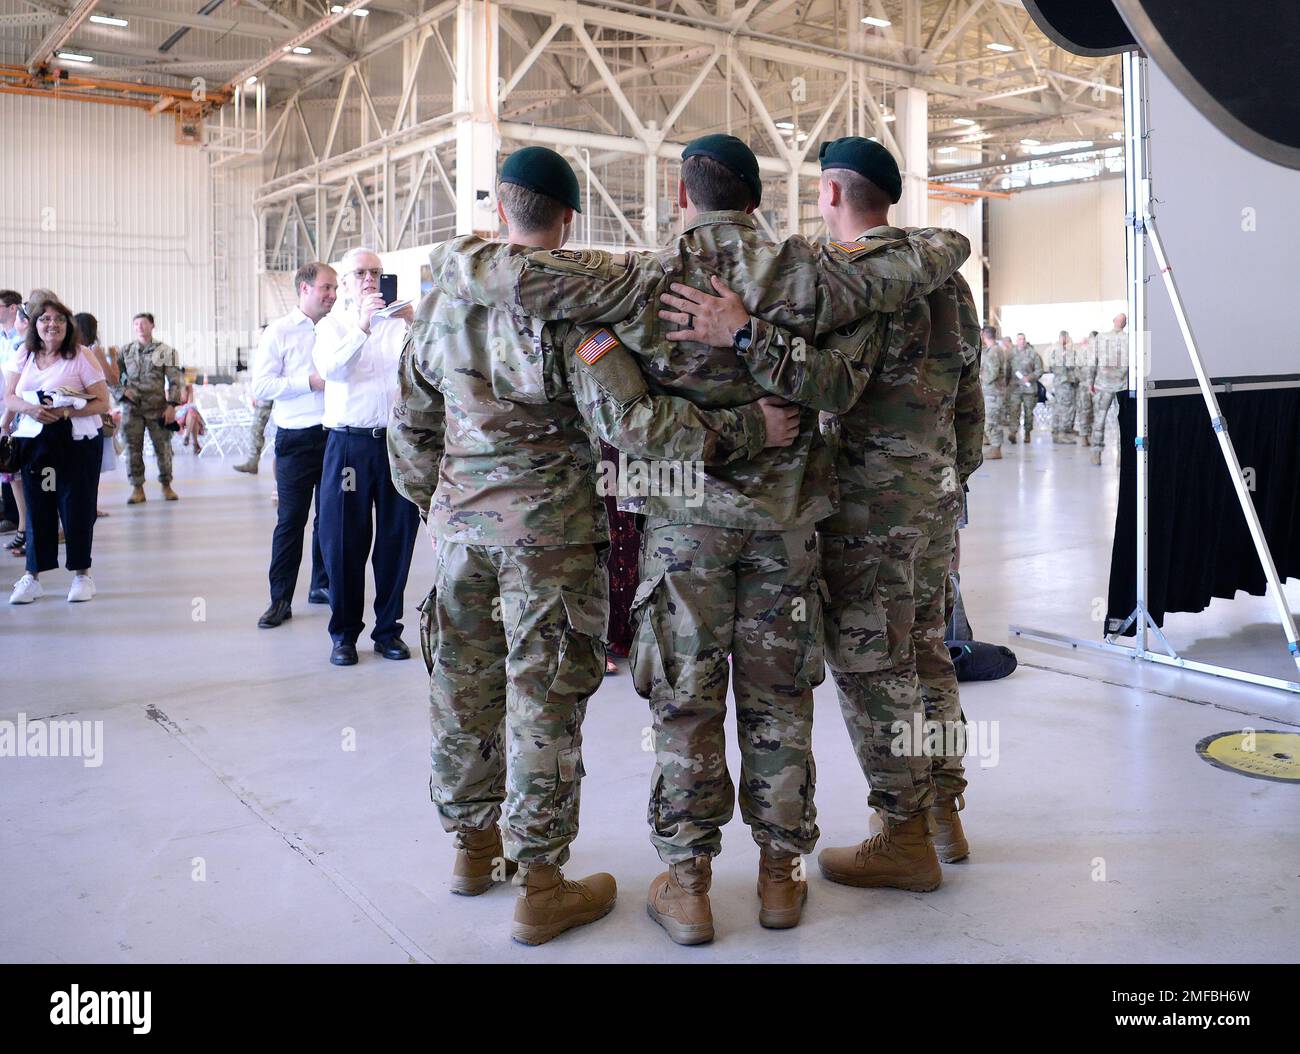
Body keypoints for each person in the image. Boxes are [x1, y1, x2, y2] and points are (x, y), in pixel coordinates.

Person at [429, 133, 969, 942]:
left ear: (682, 198)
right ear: (759, 199)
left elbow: (573, 348)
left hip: (683, 530)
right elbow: (913, 265)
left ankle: (686, 885)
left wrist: (454, 259)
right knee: (780, 698)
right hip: (786, 529)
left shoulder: (639, 279)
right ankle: (781, 879)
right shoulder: (811, 275)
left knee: (683, 703)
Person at [391, 146, 798, 945]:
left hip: (462, 534)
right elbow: (635, 429)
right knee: (540, 701)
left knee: (461, 689)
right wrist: (750, 426)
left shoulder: (440, 300)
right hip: (547, 541)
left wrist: (435, 505)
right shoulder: (573, 311)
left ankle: (473, 851)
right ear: (568, 217)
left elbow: (410, 423)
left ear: (501, 209)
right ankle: (540, 883)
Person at [658, 136, 983, 891]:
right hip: (931, 501)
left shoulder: (854, 284)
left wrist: (741, 331)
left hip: (867, 506)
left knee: (876, 668)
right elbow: (972, 394)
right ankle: (943, 811)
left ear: (832, 195)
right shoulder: (947, 284)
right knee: (929, 652)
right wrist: (951, 480)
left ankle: (904, 834)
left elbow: (826, 383)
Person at [313, 248, 418, 667]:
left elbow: (426, 369)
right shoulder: (331, 327)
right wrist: (361, 326)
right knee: (343, 542)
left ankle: (388, 630)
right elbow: (332, 371)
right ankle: (343, 634)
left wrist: (417, 325)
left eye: (376, 272)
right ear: (343, 283)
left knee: (396, 539)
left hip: (393, 444)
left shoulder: (398, 325)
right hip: (348, 447)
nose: (370, 280)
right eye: (360, 273)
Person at [4, 299, 110, 603]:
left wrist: (65, 412)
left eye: (59, 320)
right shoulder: (24, 353)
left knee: (76, 507)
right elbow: (10, 396)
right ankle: (32, 577)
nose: (52, 325)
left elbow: (103, 403)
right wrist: (29, 410)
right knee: (38, 509)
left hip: (76, 441)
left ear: (68, 325)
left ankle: (82, 575)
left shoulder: (81, 355)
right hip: (34, 441)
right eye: (45, 319)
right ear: (35, 324)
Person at [251, 261, 335, 629]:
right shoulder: (279, 333)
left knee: (329, 520)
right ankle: (279, 599)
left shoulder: (342, 328)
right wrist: (309, 382)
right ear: (304, 289)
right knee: (290, 520)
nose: (333, 295)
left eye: (335, 288)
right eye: (326, 288)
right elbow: (261, 387)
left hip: (335, 436)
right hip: (296, 439)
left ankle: (322, 585)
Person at [112, 312, 184, 503]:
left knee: (164, 450)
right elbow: (112, 378)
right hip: (132, 409)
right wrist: (121, 392)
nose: (140, 327)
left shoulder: (166, 351)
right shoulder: (124, 351)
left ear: (152, 326)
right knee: (133, 450)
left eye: (143, 323)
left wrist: (172, 406)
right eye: (136, 324)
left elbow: (176, 380)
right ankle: (137, 488)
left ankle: (166, 485)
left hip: (158, 409)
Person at [75, 313, 118, 518]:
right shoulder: (94, 350)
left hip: (74, 412)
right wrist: (114, 357)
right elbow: (113, 378)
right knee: (92, 467)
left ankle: (84, 508)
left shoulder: (70, 351)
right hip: (94, 414)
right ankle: (90, 508)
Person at [1089, 314, 1128, 464]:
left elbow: (1092, 361)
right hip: (1122, 387)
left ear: (1113, 321)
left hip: (1104, 385)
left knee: (1100, 419)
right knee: (1122, 422)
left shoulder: (1101, 337)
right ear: (1125, 324)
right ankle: (1121, 456)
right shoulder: (1130, 339)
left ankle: (1096, 453)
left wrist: (1090, 382)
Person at [1005, 332, 1042, 444]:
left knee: (1028, 412)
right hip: (1014, 388)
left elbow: (1039, 370)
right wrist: (1006, 384)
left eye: (1023, 339)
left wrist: (1029, 377)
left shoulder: (1033, 354)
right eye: (1019, 339)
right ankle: (1013, 432)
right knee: (1014, 411)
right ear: (1016, 341)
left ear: (1025, 340)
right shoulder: (1010, 353)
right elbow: (1006, 369)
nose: (1021, 341)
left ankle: (1027, 433)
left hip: (1029, 389)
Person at [978, 325, 1007, 459]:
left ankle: (996, 449)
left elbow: (993, 373)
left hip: (993, 392)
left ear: (984, 335)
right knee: (990, 420)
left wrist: (980, 379)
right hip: (990, 392)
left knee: (992, 421)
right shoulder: (990, 350)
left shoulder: (995, 351)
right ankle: (994, 446)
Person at [1048, 329, 1081, 443]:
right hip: (1065, 384)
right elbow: (1070, 365)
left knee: (1058, 408)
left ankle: (1057, 432)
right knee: (1065, 408)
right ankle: (1062, 434)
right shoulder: (1062, 351)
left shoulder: (1057, 350)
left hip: (1062, 384)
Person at [232, 398, 273, 474]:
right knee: (256, 431)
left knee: (257, 431)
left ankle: (252, 463)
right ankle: (252, 463)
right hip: (267, 400)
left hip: (270, 400)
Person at [1075, 331, 1098, 445]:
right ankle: (1084, 435)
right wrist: (1083, 381)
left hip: (1098, 387)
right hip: (1084, 386)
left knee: (1097, 412)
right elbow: (1077, 369)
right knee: (1085, 410)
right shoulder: (1082, 352)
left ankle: (1093, 435)